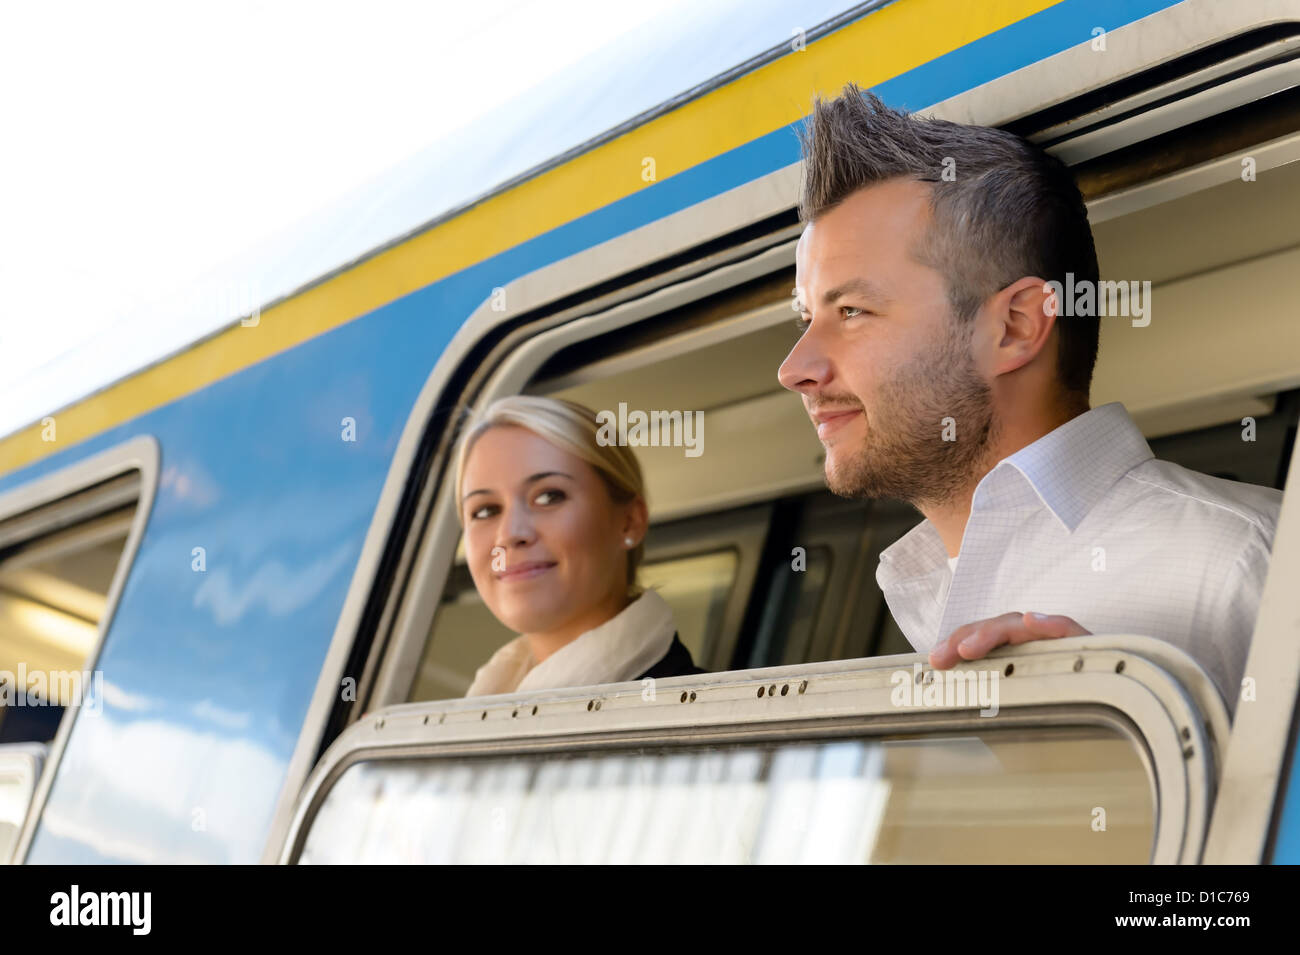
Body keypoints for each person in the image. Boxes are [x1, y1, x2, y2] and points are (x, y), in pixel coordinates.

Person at [777, 83, 1282, 713]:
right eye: (806, 319)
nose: (794, 369)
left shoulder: (1249, 560)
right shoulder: (917, 585)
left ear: (1015, 327)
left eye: (852, 311)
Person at [454, 395, 704, 696]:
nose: (509, 534)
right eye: (485, 510)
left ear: (630, 521)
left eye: (548, 496)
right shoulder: (480, 706)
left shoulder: (704, 721)